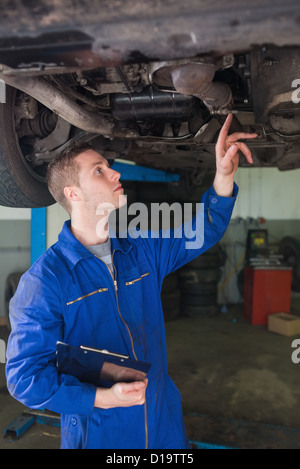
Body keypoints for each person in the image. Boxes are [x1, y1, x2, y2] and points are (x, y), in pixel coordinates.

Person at [6, 114, 257, 449]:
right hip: (100, 431)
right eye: (99, 170)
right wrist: (103, 399)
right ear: (73, 193)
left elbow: (203, 230)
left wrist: (224, 176)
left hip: (162, 418)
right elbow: (25, 379)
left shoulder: (141, 250)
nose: (116, 172)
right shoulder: (46, 281)